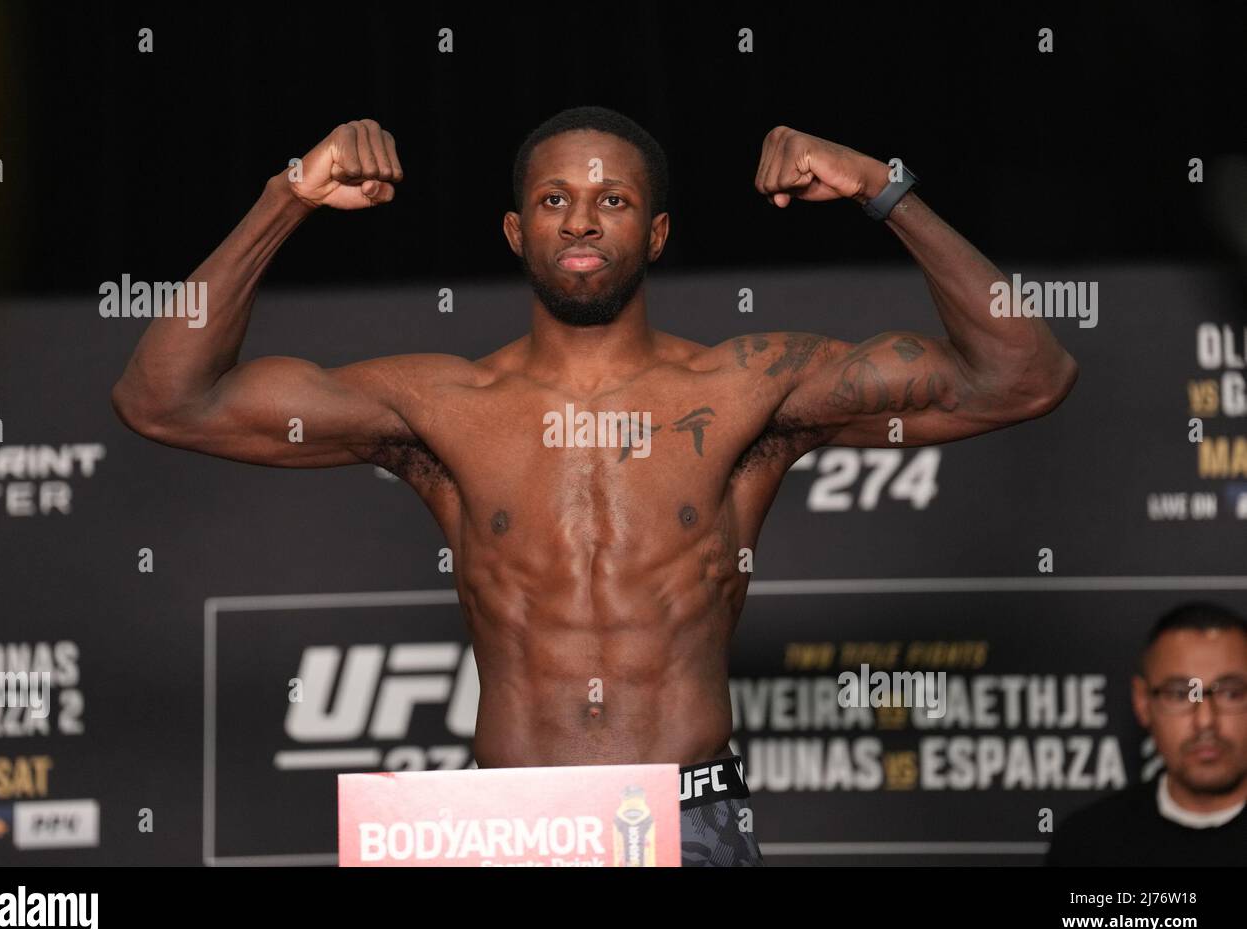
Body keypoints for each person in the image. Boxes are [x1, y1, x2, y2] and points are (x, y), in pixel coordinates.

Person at [111, 106, 1078, 866]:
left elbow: (1024, 375)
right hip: (503, 830)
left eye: (612, 199)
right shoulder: (438, 405)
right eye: (553, 199)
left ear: (656, 234)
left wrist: (883, 187)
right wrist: (292, 193)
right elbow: (166, 400)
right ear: (513, 229)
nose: (580, 216)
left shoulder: (750, 390)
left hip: (687, 821)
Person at [1047, 602, 1247, 865]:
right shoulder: (1086, 843)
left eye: (1231, 693)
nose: (1205, 720)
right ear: (1142, 702)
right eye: (1179, 694)